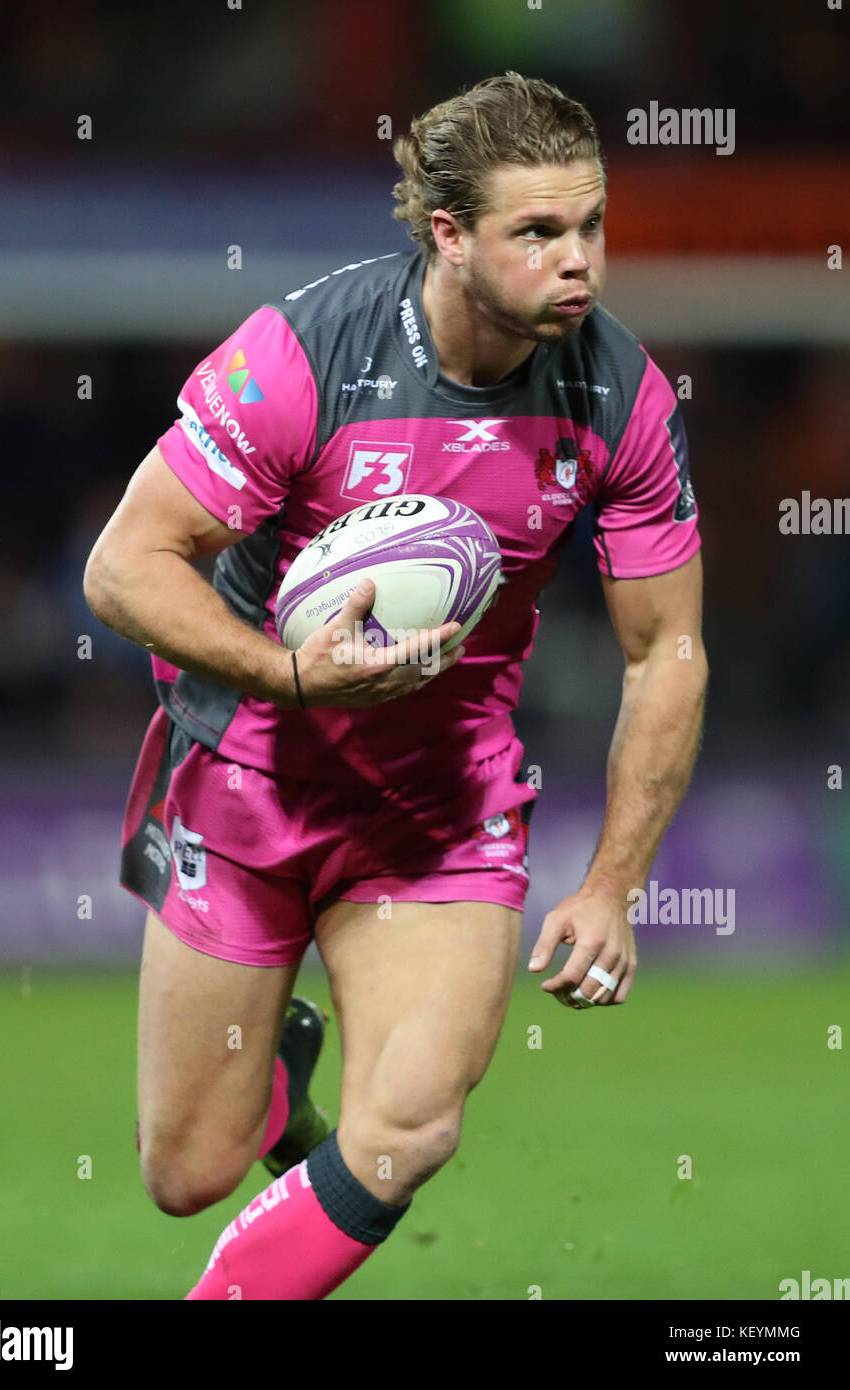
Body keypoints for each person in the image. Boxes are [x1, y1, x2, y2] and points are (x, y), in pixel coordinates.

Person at [83, 71, 707, 1300]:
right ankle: (272, 1086)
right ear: (448, 234)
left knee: (412, 1124)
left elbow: (665, 650)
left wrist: (613, 884)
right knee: (188, 1170)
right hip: (247, 778)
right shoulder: (303, 356)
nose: (577, 262)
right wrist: (289, 671)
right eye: (536, 232)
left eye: (589, 226)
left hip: (438, 806)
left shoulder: (619, 392)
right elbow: (122, 569)